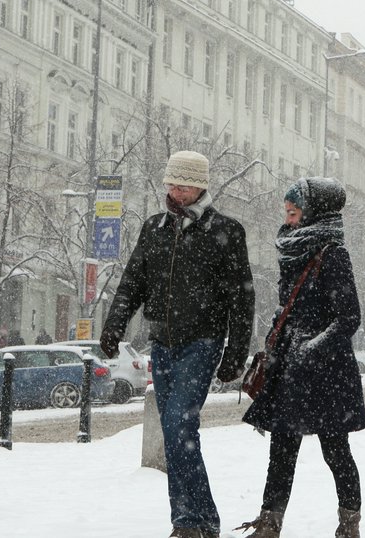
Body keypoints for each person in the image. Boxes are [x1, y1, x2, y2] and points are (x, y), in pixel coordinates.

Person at [99, 150, 254, 538]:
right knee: (174, 433)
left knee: (179, 424)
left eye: (182, 184)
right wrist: (114, 326)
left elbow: (242, 296)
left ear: (200, 185)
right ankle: (192, 521)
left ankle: (195, 522)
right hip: (163, 343)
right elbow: (133, 281)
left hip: (203, 342)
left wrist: (235, 353)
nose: (174, 190)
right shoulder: (154, 228)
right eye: (170, 183)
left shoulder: (226, 231)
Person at [239, 177, 365, 538]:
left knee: (336, 451)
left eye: (294, 212)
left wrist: (312, 347)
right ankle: (269, 523)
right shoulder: (293, 251)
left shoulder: (332, 253)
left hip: (326, 372)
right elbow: (288, 305)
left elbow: (349, 317)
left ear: (313, 213)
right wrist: (277, 337)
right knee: (281, 450)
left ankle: (349, 523)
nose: (288, 219)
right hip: (291, 366)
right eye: (287, 212)